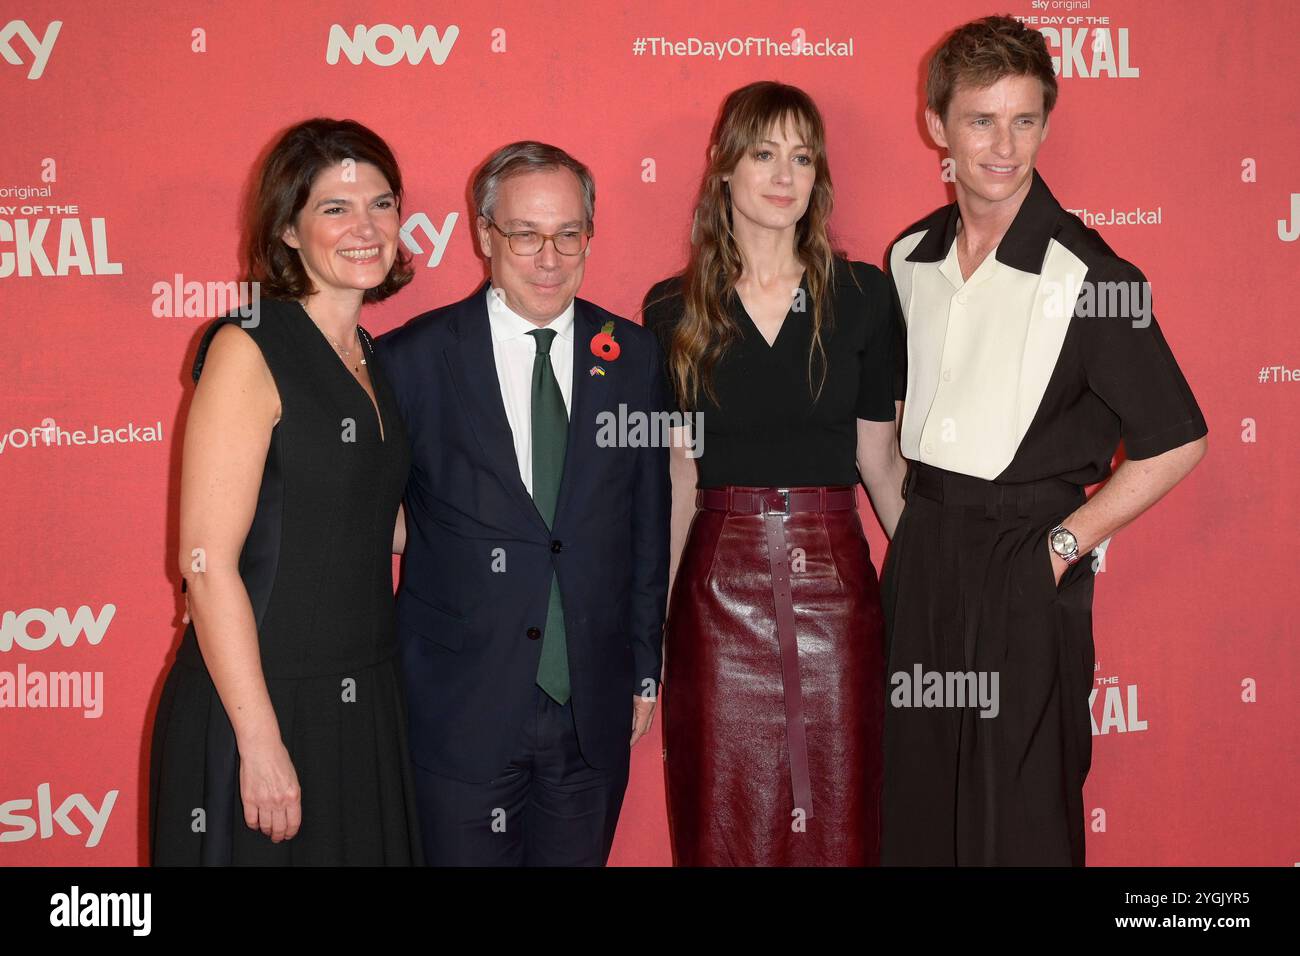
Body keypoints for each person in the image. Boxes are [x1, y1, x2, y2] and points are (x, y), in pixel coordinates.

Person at [881, 16, 1209, 866]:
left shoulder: (1093, 276)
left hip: (1024, 565)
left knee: (1019, 822)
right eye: (981, 120)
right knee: (916, 802)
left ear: (1046, 126)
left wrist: (1062, 548)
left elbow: (1178, 440)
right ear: (936, 125)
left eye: (1024, 120)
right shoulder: (910, 257)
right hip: (923, 560)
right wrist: (908, 532)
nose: (1003, 146)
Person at [376, 141, 670, 867]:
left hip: (590, 708)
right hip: (457, 709)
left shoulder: (632, 355)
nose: (550, 257)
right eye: (526, 234)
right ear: (483, 234)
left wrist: (643, 667)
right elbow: (365, 520)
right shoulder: (411, 359)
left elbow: (647, 524)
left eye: (569, 234)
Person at [642, 81, 907, 866]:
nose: (785, 175)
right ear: (725, 167)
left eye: (802, 157)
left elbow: (880, 463)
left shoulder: (863, 297)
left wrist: (934, 588)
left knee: (842, 814)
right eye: (764, 154)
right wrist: (651, 627)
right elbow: (679, 480)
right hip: (716, 589)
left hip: (835, 584)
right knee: (722, 816)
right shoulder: (672, 310)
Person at [150, 118, 423, 865]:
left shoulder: (369, 355)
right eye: (335, 208)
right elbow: (206, 566)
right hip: (263, 702)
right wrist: (260, 743)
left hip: (365, 699)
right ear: (291, 230)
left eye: (381, 203)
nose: (365, 227)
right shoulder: (248, 343)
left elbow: (376, 522)